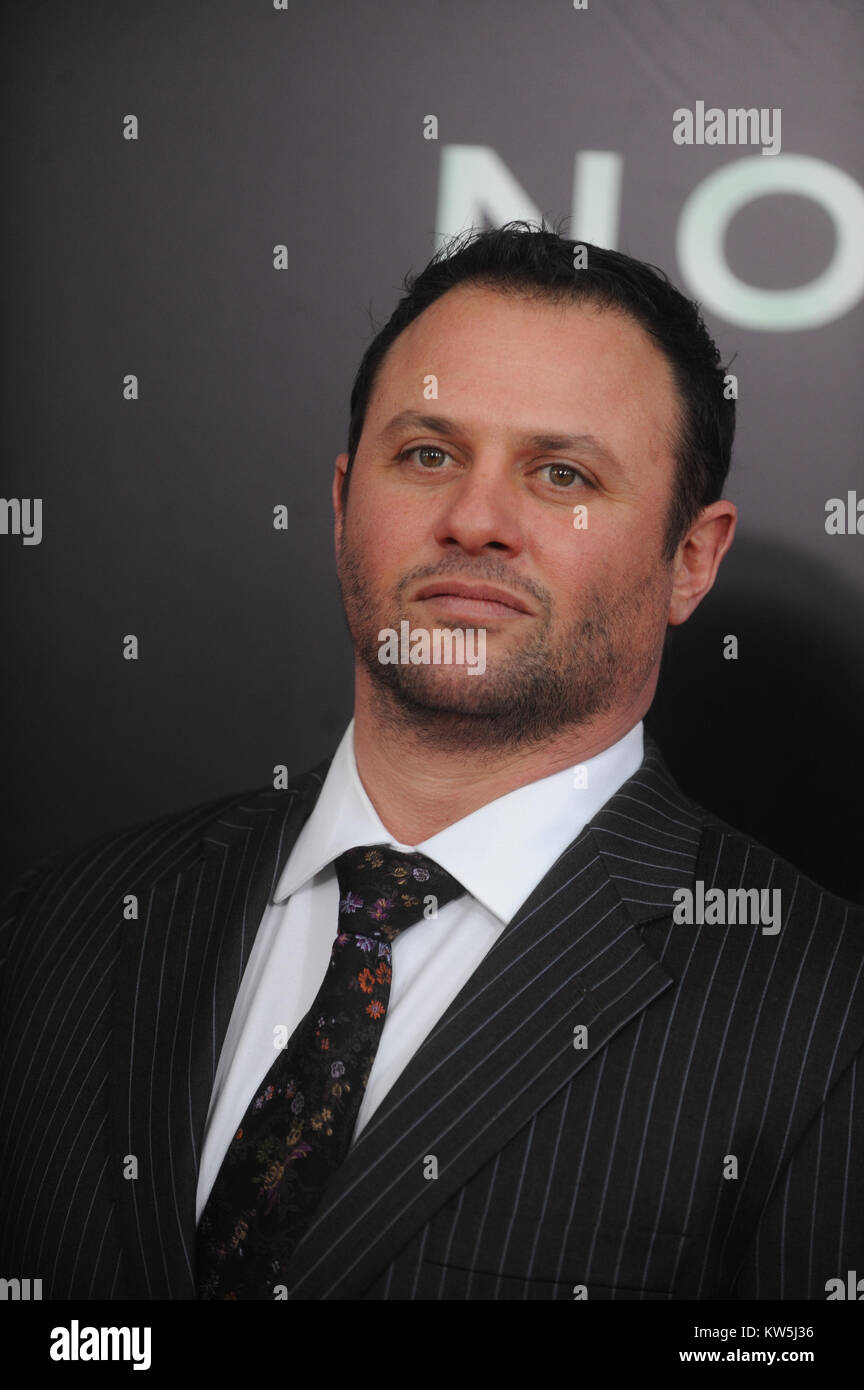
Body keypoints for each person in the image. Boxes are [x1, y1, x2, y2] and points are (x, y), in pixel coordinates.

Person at [1, 223, 861, 1301]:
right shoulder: (70, 920)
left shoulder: (828, 1016)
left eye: (561, 472)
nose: (474, 518)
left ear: (690, 559)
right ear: (340, 502)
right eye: (428, 453)